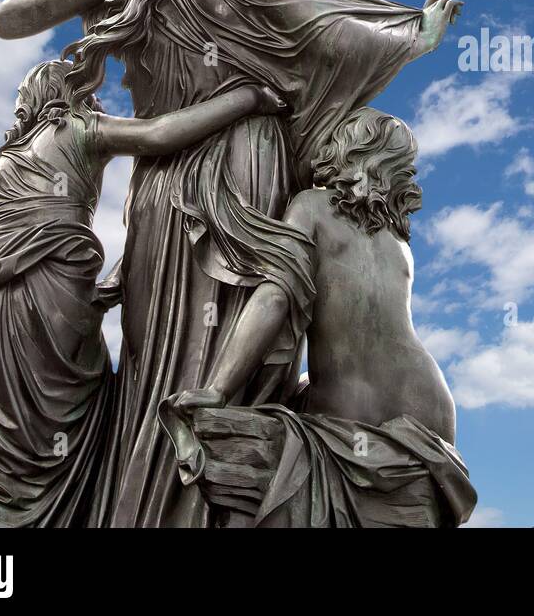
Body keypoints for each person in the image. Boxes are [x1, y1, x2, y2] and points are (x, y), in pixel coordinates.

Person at [0, 0, 460, 526]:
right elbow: (340, 41)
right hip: (251, 173)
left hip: (164, 183)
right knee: (251, 366)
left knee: (158, 367)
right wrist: (412, 34)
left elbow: (10, 17)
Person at [0, 58, 286, 527]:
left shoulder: (8, 157)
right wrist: (247, 98)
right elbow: (159, 134)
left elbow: (33, 232)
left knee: (5, 470)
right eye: (90, 90)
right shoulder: (76, 128)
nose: (101, 97)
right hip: (44, 310)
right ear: (69, 95)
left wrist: (110, 286)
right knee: (62, 439)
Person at [161, 108, 475, 527]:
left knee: (253, 483)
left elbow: (275, 298)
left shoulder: (312, 206)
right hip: (432, 417)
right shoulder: (398, 238)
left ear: (349, 148)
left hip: (353, 414)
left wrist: (218, 388)